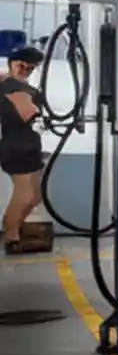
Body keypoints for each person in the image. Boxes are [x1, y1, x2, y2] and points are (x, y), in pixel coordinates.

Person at [0, 46, 47, 254]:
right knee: (25, 195)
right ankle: (11, 235)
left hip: (28, 146)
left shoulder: (13, 82)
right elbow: (28, 112)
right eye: (26, 66)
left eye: (32, 67)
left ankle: (17, 225)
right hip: (17, 149)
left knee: (36, 195)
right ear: (16, 64)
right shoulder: (12, 86)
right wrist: (43, 119)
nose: (29, 70)